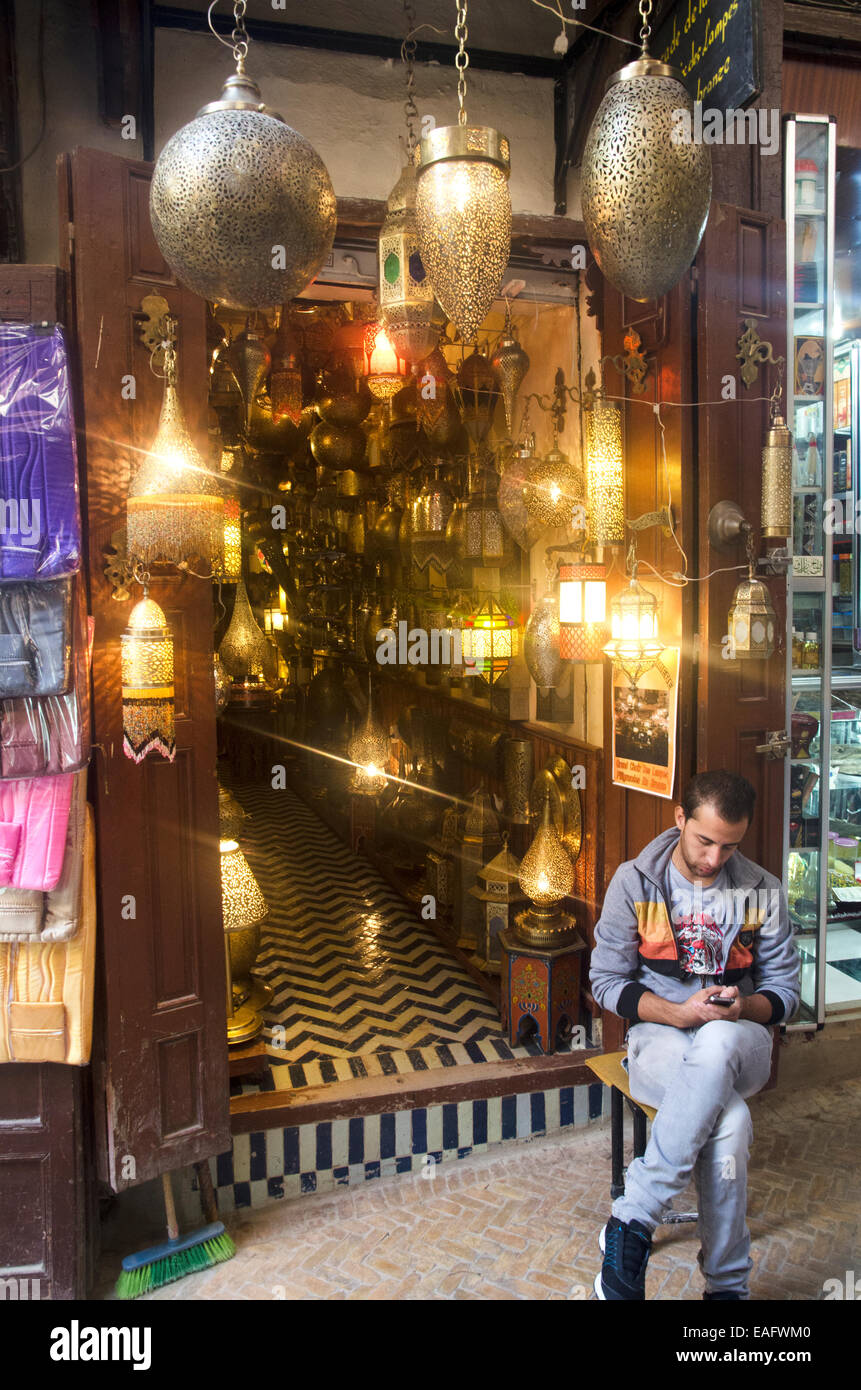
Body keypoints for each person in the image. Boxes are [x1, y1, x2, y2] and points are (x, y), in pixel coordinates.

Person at [589, 770, 800, 1301]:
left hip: (739, 1042)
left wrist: (743, 1006)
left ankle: (633, 1216)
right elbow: (605, 982)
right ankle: (728, 1290)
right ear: (680, 818)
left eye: (729, 846)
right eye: (705, 841)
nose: (714, 859)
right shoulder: (634, 881)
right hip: (659, 1038)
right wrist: (679, 1013)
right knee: (729, 1120)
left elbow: (786, 994)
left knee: (719, 1040)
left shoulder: (762, 890)